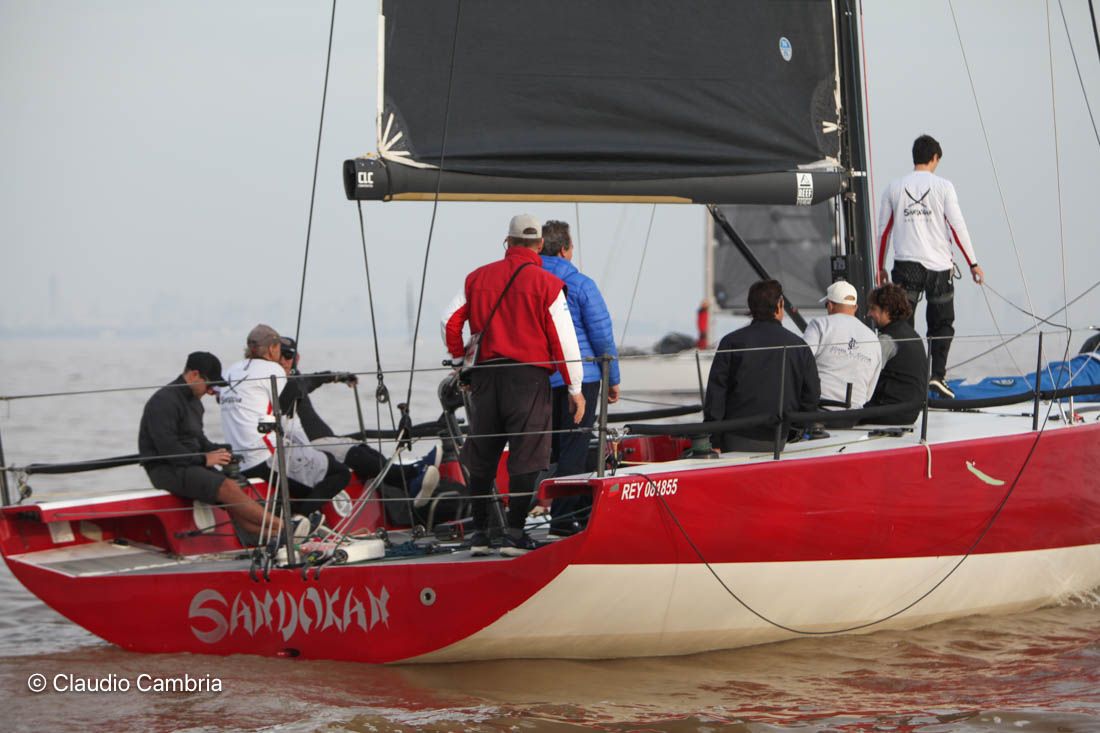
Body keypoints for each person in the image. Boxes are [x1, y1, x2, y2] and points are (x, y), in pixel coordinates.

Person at [441, 213, 585, 556]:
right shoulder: (547, 284)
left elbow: (449, 321)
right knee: (527, 454)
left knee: (482, 453)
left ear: (507, 243)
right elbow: (564, 340)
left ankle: (481, 533)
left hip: (486, 378)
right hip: (528, 379)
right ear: (539, 245)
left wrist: (461, 360)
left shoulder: (476, 278)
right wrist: (574, 387)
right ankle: (516, 533)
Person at [877, 134, 984, 399]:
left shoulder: (893, 187)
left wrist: (879, 266)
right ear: (934, 158)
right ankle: (937, 376)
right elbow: (957, 227)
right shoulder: (944, 186)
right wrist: (973, 263)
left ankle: (907, 378)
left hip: (906, 266)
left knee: (902, 324)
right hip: (938, 267)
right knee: (941, 324)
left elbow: (884, 231)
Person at [275, 336, 440, 506]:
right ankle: (411, 475)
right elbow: (306, 383)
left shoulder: (296, 379)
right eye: (278, 356)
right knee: (358, 455)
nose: (282, 361)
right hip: (310, 444)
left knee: (367, 451)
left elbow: (314, 379)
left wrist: (339, 377)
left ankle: (410, 482)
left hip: (326, 439)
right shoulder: (277, 383)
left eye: (288, 356)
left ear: (297, 358)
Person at [139, 351, 281, 537]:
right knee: (227, 487)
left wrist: (218, 450)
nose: (211, 391)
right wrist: (205, 459)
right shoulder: (163, 401)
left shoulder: (195, 404)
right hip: (165, 469)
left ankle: (285, 535)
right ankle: (288, 527)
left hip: (190, 465)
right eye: (210, 385)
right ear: (194, 375)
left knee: (237, 501)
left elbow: (199, 440)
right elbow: (168, 449)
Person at [539, 220, 620, 536]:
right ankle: (562, 521)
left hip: (542, 378)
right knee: (574, 448)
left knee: (557, 449)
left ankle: (559, 514)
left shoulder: (530, 280)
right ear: (564, 249)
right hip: (582, 377)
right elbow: (602, 334)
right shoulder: (581, 284)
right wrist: (613, 376)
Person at [219, 324, 349, 517]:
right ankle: (298, 521)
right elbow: (288, 420)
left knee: (308, 477)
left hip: (240, 462)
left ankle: (291, 518)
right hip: (265, 458)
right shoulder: (274, 370)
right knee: (339, 473)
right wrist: (309, 451)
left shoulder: (231, 371)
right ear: (272, 348)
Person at [704, 280, 820, 452]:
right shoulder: (799, 346)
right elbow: (811, 395)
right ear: (780, 305)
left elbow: (716, 395)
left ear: (751, 308)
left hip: (735, 439)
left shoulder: (730, 342)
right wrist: (795, 430)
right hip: (780, 438)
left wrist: (714, 440)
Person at [802, 280, 882, 416]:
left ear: (831, 305)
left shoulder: (819, 324)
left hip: (819, 412)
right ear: (855, 307)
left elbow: (801, 362)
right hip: (853, 415)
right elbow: (869, 392)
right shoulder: (873, 338)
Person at [863, 284, 929, 424]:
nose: (869, 314)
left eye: (873, 309)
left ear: (886, 311)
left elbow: (864, 374)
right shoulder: (913, 334)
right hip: (910, 411)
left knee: (838, 415)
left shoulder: (887, 340)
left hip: (890, 412)